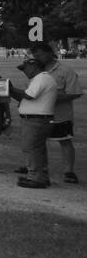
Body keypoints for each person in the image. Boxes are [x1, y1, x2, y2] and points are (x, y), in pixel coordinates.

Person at [31, 40, 81, 183]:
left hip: (60, 115)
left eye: (39, 56)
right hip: (39, 114)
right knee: (37, 142)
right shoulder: (36, 70)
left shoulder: (65, 70)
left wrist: (53, 98)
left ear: (49, 53)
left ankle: (69, 171)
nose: (37, 59)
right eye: (35, 56)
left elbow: (75, 93)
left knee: (65, 141)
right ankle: (38, 167)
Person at [8, 54, 58, 189]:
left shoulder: (41, 78)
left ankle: (35, 177)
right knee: (38, 149)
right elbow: (23, 97)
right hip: (39, 119)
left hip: (36, 120)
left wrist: (9, 88)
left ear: (34, 66)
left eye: (25, 68)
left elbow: (28, 96)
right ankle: (41, 176)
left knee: (31, 148)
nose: (24, 72)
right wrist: (10, 91)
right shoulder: (41, 78)